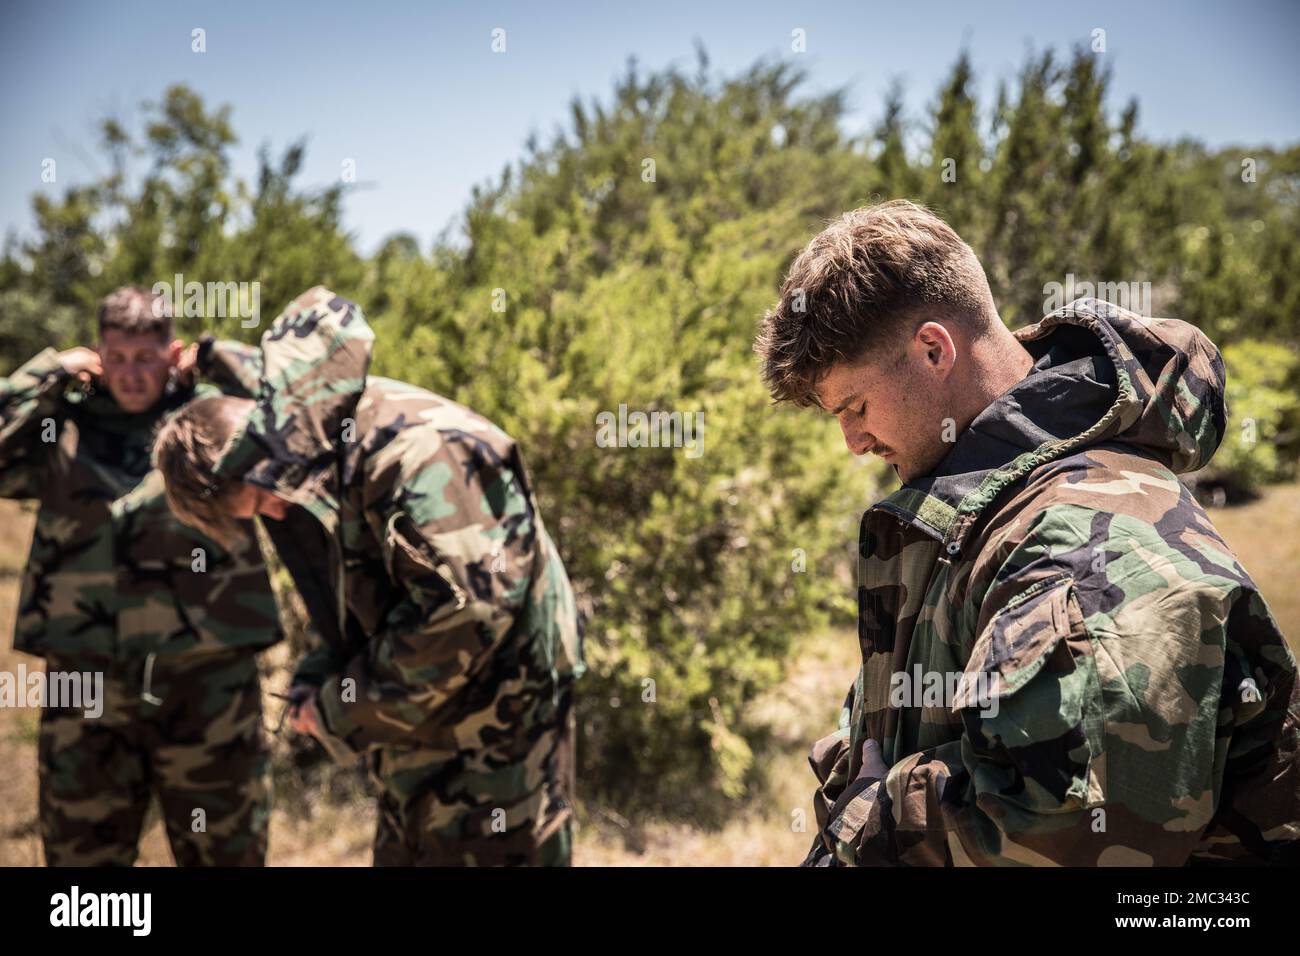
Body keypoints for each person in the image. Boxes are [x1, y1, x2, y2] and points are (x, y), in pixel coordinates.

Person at [755, 200, 1299, 865]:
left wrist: (878, 818)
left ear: (934, 349)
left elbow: (1066, 833)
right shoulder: (981, 504)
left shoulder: (1088, 553)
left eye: (856, 406)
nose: (853, 442)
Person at [152, 286, 584, 866]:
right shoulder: (309, 452)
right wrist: (322, 673)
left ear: (257, 450)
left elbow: (467, 615)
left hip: (502, 725)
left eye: (259, 501)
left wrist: (339, 710)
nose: (275, 513)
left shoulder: (415, 454)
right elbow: (364, 595)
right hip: (427, 732)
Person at [0, 285, 282, 866]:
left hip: (208, 680)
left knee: (228, 853)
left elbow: (292, 414)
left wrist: (215, 355)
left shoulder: (212, 418)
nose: (131, 373)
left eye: (146, 357)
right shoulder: (61, 427)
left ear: (169, 352)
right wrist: (49, 372)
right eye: (117, 357)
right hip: (85, 685)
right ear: (99, 356)